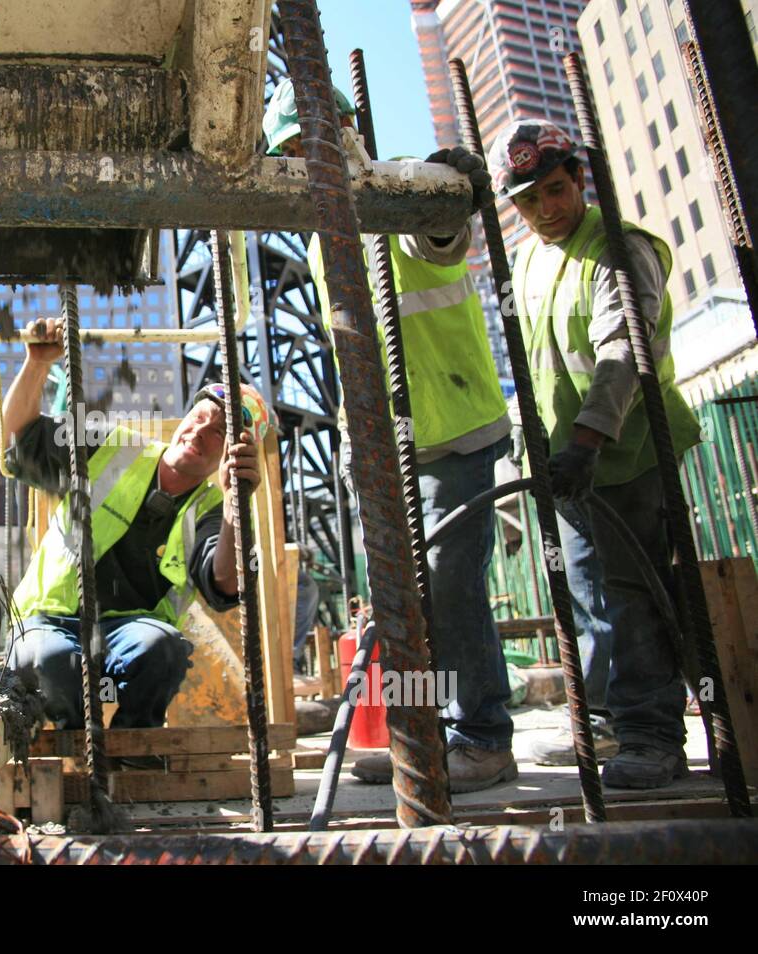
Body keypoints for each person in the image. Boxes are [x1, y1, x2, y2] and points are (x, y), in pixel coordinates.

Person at [266, 78, 520, 793]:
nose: (303, 156)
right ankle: (422, 734)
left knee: (447, 585)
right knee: (398, 596)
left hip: (455, 431)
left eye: (313, 137)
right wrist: (354, 445)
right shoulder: (323, 231)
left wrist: (447, 201)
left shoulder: (394, 187)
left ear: (350, 129)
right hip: (382, 443)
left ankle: (483, 737)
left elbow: (440, 240)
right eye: (289, 148)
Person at [487, 118, 700, 789]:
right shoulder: (528, 260)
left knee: (635, 594)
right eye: (527, 201)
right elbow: (533, 369)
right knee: (587, 598)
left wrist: (587, 441)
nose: (545, 210)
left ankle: (654, 735)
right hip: (567, 469)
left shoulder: (618, 247)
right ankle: (608, 719)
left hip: (630, 454)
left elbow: (622, 352)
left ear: (578, 179)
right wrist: (536, 458)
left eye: (554, 190)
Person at [0, 316, 267, 734]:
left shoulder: (213, 508)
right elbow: (17, 442)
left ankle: (133, 749)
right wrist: (36, 364)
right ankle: (77, 752)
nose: (199, 432)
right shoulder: (111, 447)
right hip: (48, 618)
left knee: (162, 649)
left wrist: (237, 502)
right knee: (53, 662)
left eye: (219, 433)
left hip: (127, 631)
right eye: (199, 417)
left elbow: (226, 584)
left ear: (232, 451)